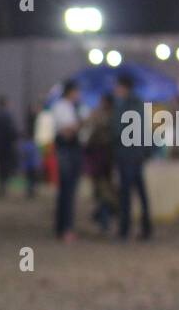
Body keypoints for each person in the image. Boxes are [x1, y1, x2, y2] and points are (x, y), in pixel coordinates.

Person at [113, 75, 152, 241]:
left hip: (127, 154)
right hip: (136, 154)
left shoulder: (127, 105)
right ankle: (146, 227)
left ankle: (125, 229)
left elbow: (119, 129)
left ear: (124, 87)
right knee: (140, 193)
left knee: (127, 194)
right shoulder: (139, 104)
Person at [51, 80, 83, 240]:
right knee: (67, 191)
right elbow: (66, 132)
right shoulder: (61, 107)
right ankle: (65, 228)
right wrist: (80, 124)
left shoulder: (69, 107)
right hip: (67, 151)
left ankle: (63, 227)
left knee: (67, 191)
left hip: (69, 151)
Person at [84, 93, 118, 233]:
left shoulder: (98, 117)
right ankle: (102, 219)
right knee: (106, 193)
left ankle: (102, 220)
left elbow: (89, 138)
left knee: (103, 194)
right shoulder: (117, 117)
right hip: (107, 161)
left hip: (100, 161)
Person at [0, 96, 19, 197]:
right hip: (7, 144)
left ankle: (1, 185)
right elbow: (12, 130)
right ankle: (4, 185)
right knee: (6, 165)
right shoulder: (8, 116)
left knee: (0, 165)